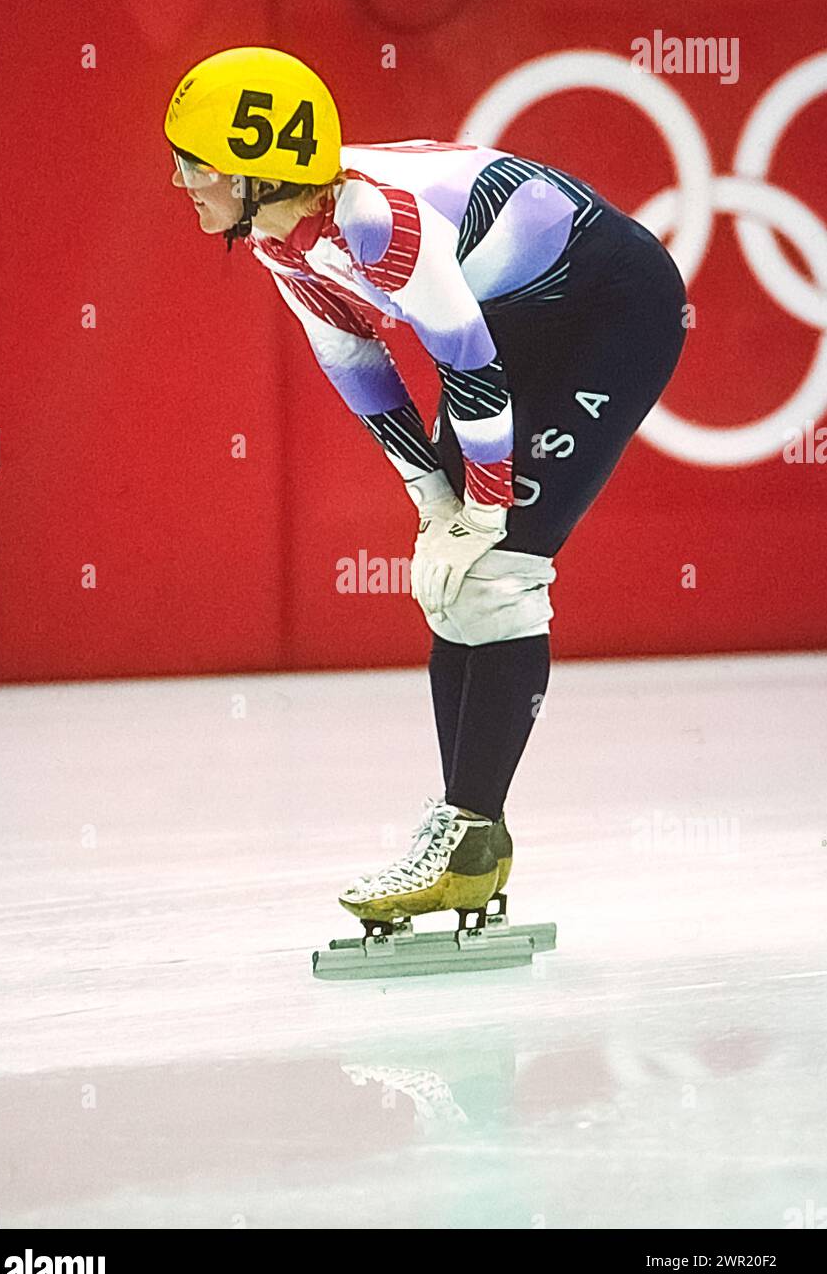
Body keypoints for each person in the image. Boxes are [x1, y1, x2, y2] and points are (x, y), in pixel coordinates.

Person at [165, 46, 688, 928]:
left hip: (613, 309)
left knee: (498, 571)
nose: (179, 181)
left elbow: (468, 365)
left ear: (256, 173)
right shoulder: (274, 237)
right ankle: (467, 836)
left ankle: (468, 836)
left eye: (193, 163)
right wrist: (428, 497)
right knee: (447, 585)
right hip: (518, 312)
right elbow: (357, 364)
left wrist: (479, 506)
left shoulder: (377, 223)